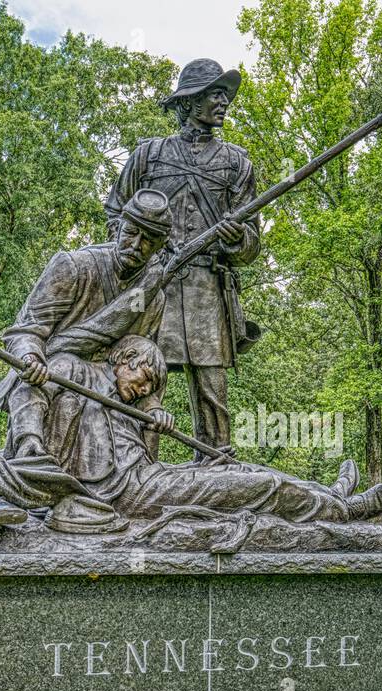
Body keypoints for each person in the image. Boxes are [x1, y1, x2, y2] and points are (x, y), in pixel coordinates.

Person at [36, 334, 382, 528]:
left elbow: (145, 462)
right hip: (128, 491)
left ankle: (330, 496)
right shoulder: (75, 372)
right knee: (262, 487)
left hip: (150, 480)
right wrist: (35, 374)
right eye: (145, 381)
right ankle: (343, 513)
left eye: (150, 388)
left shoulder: (128, 403)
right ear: (126, 360)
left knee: (239, 469)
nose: (146, 392)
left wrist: (155, 427)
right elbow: (35, 401)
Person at [0, 189, 175, 529]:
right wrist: (31, 357)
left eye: (148, 241)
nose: (135, 245)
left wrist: (152, 410)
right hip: (57, 374)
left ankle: (104, 504)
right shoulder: (73, 267)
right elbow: (26, 329)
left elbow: (146, 361)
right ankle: (26, 467)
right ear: (118, 227)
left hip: (112, 401)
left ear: (160, 247)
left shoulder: (153, 297)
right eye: (131, 232)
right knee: (45, 385)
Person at [105, 58, 261, 460]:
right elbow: (116, 214)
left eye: (225, 95)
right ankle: (135, 464)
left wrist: (235, 238)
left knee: (212, 390)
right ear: (190, 101)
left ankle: (216, 466)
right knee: (142, 380)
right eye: (215, 94)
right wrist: (132, 260)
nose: (224, 102)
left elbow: (252, 246)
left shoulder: (238, 164)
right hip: (153, 288)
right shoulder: (149, 156)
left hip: (208, 290)